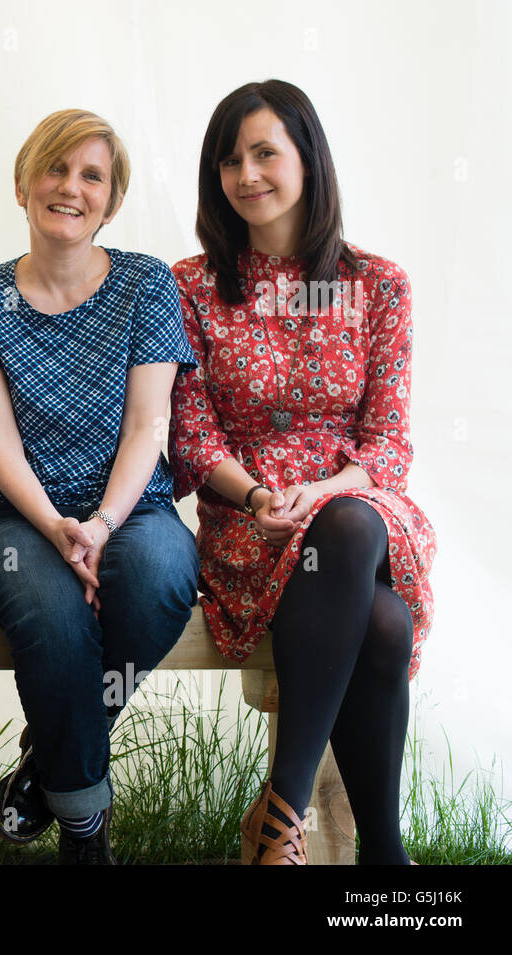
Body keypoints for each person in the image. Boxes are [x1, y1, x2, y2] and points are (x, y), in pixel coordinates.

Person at [169, 79, 437, 865]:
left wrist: (324, 491)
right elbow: (189, 429)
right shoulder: (191, 286)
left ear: (308, 161)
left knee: (349, 524)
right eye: (229, 160)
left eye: (264, 153)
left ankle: (276, 819)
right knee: (381, 623)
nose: (245, 175)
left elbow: (387, 441)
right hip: (249, 523)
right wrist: (257, 496)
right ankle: (383, 860)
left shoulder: (379, 284)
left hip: (359, 509)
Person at [0, 109, 200, 864]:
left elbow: (146, 428)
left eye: (91, 175)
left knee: (161, 574)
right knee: (57, 622)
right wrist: (57, 525)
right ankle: (86, 837)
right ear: (24, 184)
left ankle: (47, 760)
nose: (71, 187)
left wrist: (97, 524)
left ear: (112, 199)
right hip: (18, 515)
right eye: (56, 170)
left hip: (132, 507)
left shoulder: (146, 284)